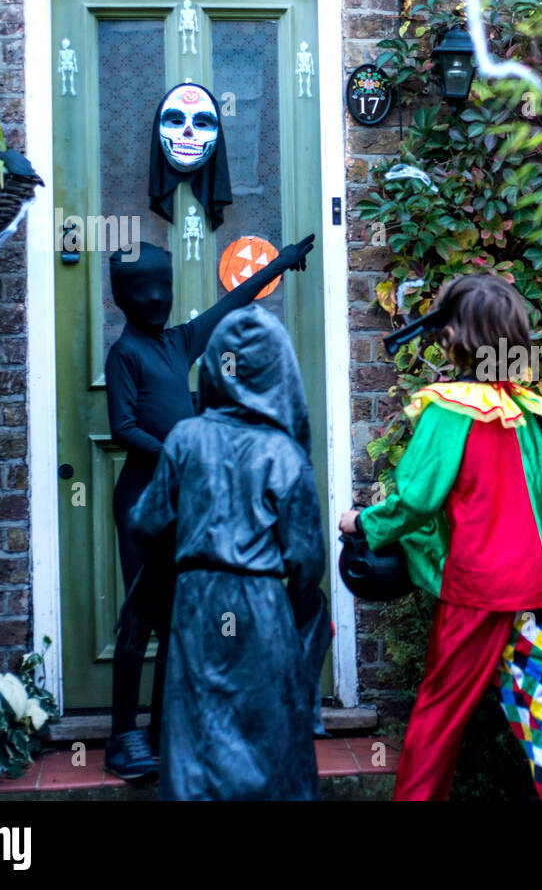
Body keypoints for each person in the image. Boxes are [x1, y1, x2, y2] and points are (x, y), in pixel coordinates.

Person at [339, 274, 542, 801]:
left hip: (477, 589)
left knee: (439, 712)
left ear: (453, 335)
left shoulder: (450, 408)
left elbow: (417, 498)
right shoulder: (522, 411)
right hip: (534, 586)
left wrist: (363, 523)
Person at [103, 234, 313, 779]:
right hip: (142, 499)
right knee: (138, 617)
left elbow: (229, 304)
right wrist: (180, 450)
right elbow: (122, 427)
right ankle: (121, 736)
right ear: (123, 297)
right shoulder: (125, 352)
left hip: (181, 498)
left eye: (163, 288)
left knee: (175, 617)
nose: (156, 298)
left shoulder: (178, 343)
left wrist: (283, 262)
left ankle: (160, 727)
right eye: (143, 289)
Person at [130, 305, 329, 800]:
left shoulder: (185, 439)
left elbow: (147, 522)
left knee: (199, 734)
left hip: (199, 604)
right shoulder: (283, 454)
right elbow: (306, 557)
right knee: (269, 734)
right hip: (261, 607)